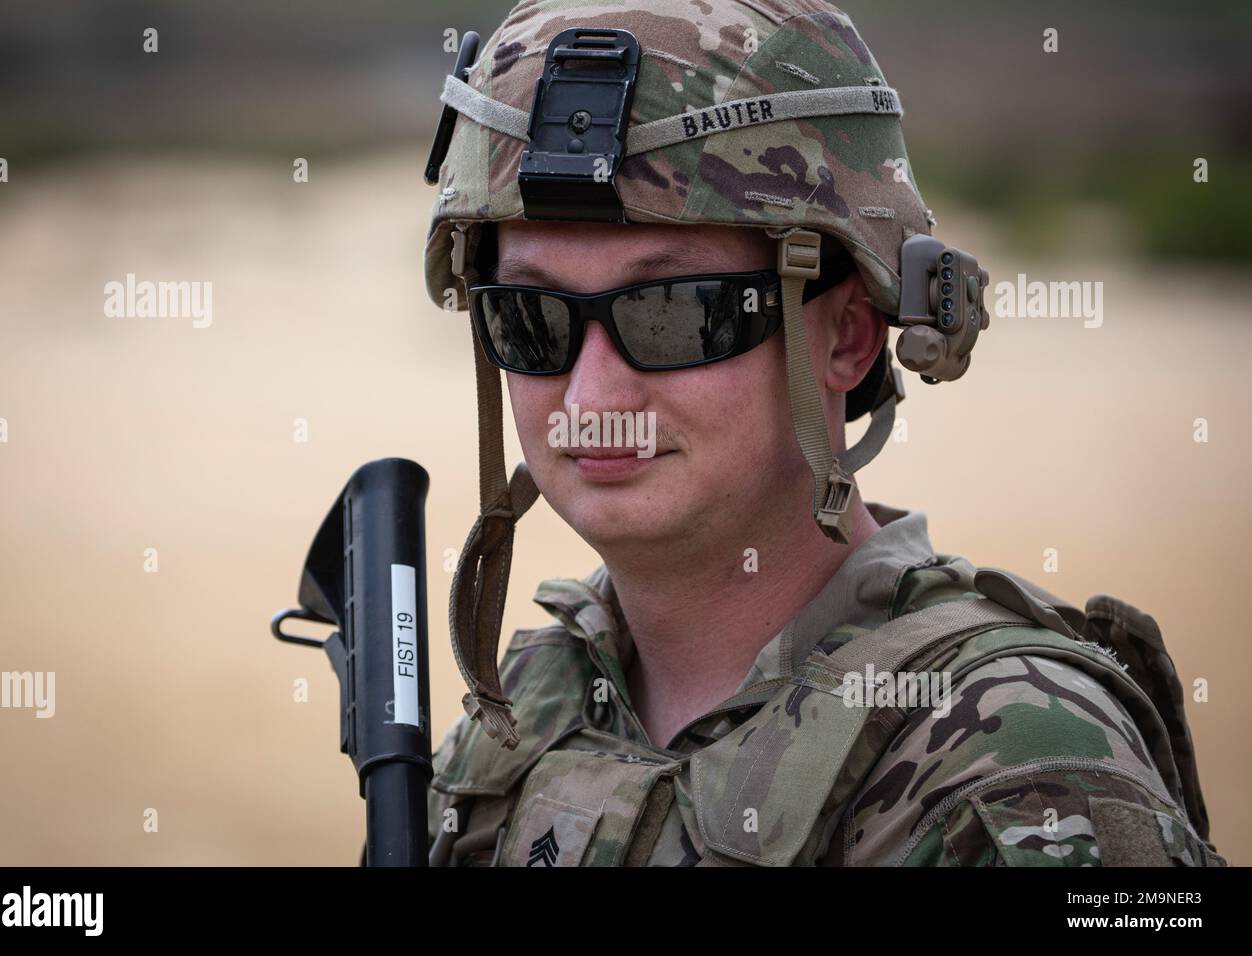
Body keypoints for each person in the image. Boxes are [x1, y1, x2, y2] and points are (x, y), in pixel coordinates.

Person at [419, 0, 1225, 866]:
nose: (589, 394)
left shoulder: (1018, 767)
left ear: (846, 337)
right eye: (531, 318)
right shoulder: (527, 707)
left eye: (674, 312)